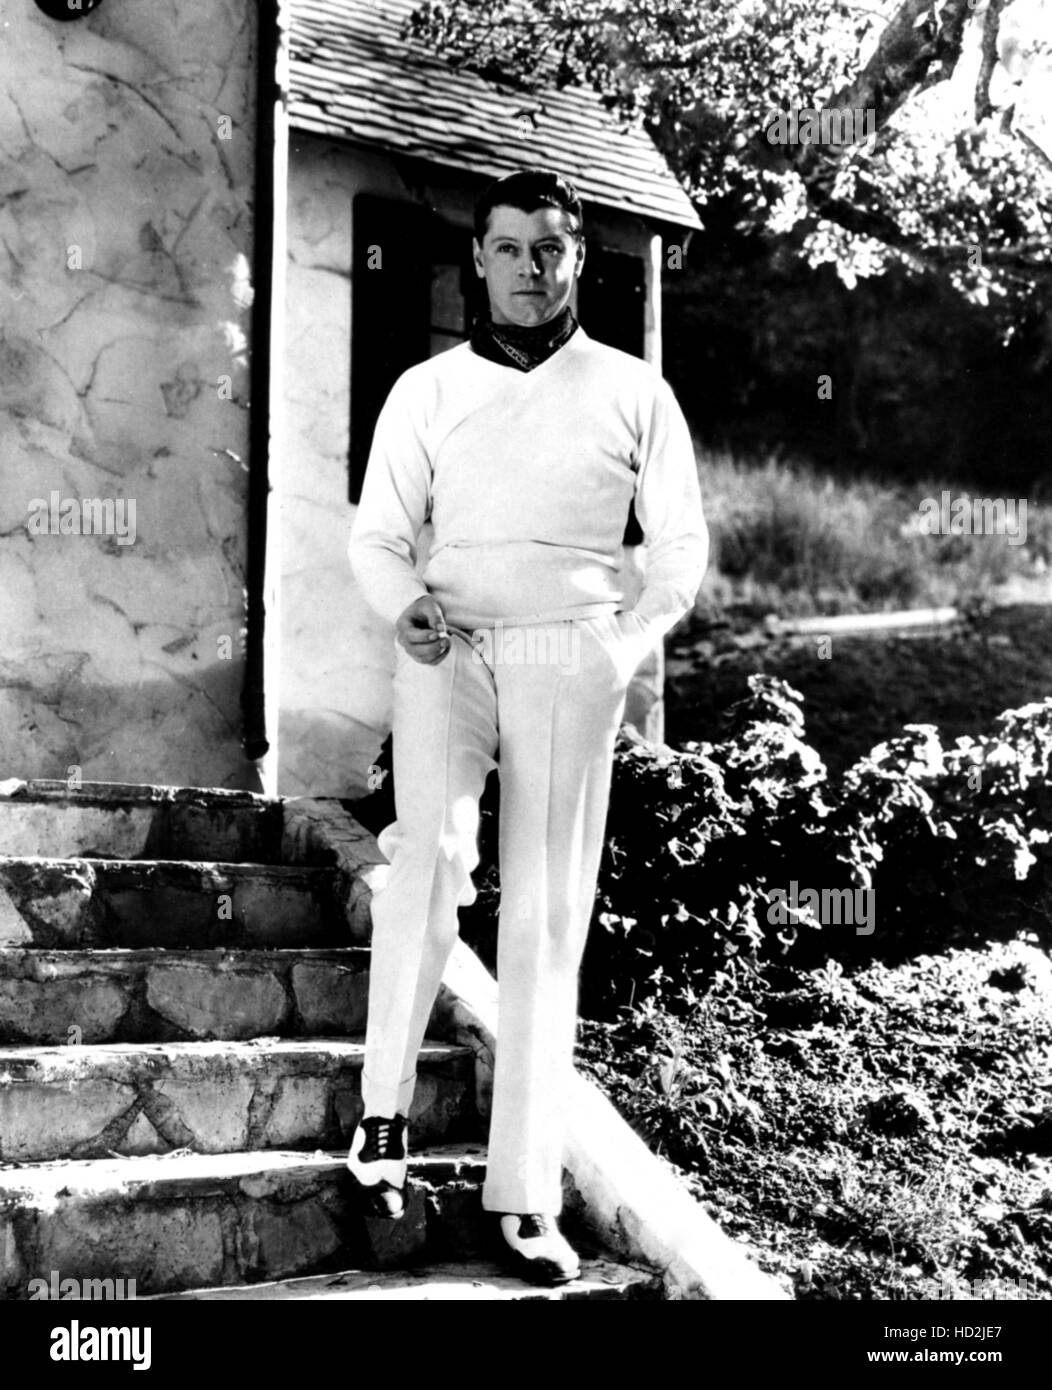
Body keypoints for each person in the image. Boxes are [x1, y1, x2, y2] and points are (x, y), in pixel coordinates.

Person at [346, 168, 707, 1285]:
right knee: (430, 862)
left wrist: (619, 641)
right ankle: (382, 1119)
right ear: (479, 260)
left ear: (578, 258)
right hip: (447, 640)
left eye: (550, 249)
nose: (529, 268)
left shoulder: (631, 390)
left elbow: (679, 551)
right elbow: (376, 537)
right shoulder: (425, 389)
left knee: (547, 909)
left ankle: (524, 1196)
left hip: (572, 646)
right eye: (507, 249)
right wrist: (398, 604)